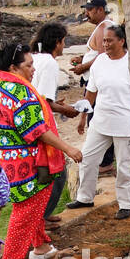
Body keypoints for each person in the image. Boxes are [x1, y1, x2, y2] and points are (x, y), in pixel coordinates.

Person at [0, 42, 84, 259]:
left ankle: (40, 248)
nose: (34, 70)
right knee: (26, 211)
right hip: (28, 165)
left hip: (8, 162)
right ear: (14, 67)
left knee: (33, 207)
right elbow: (37, 130)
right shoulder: (19, 90)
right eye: (29, 65)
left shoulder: (0, 85)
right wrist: (68, 148)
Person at [70, 25, 130, 219]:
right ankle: (84, 197)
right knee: (87, 158)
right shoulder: (99, 62)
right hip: (100, 120)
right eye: (104, 40)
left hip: (125, 123)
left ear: (121, 41)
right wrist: (83, 117)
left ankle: (125, 203)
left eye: (109, 40)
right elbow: (91, 92)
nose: (105, 44)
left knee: (125, 165)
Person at [30, 22, 83, 229]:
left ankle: (42, 214)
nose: (64, 45)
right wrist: (66, 110)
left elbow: (39, 99)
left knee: (45, 171)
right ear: (58, 42)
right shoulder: (50, 63)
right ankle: (41, 217)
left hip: (31, 122)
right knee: (56, 171)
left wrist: (55, 106)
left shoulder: (34, 58)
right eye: (63, 41)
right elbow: (44, 100)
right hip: (40, 127)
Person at [69, 0, 113, 78]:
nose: (86, 14)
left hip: (97, 82)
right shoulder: (103, 26)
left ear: (100, 10)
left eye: (89, 10)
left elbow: (103, 56)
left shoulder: (103, 28)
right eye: (85, 10)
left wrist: (83, 67)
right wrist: (82, 59)